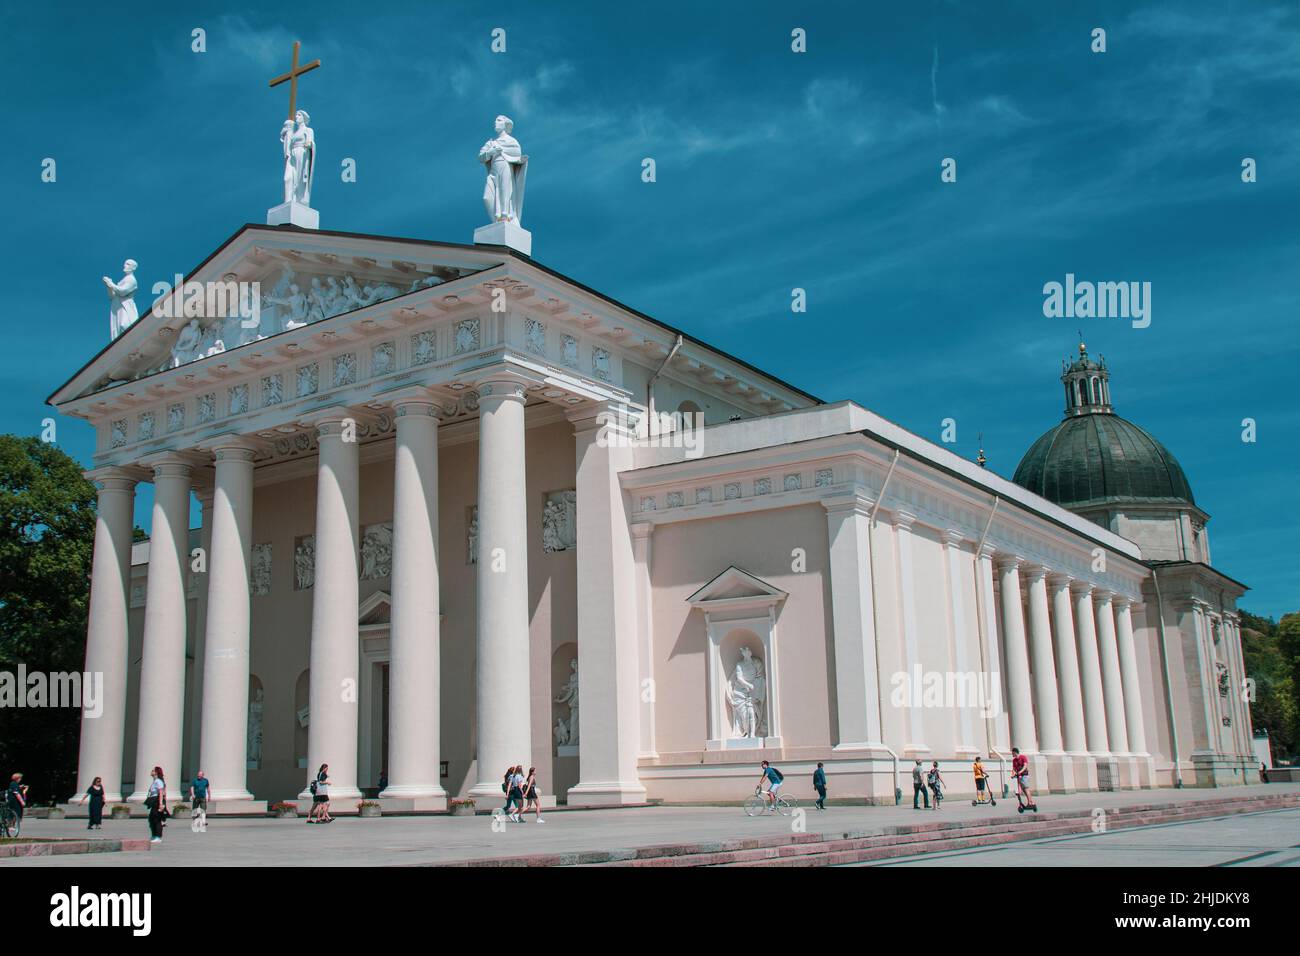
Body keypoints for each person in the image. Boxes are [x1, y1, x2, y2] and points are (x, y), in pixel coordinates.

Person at [145, 766, 166, 843]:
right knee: (151, 819)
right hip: (153, 801)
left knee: (156, 819)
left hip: (157, 801)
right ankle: (154, 835)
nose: (151, 771)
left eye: (153, 770)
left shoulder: (158, 781)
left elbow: (161, 792)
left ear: (156, 772)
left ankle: (158, 837)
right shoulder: (155, 781)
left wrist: (160, 804)